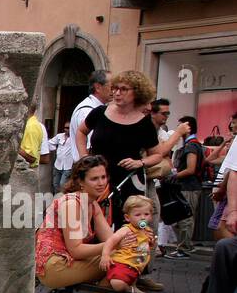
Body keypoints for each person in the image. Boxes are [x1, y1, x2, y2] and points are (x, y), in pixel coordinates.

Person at [76, 70, 188, 226]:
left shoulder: (144, 123)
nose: (117, 93)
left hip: (128, 182)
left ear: (137, 92)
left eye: (123, 89)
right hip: (98, 178)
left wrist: (139, 163)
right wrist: (84, 157)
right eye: (115, 88)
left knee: (126, 226)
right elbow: (81, 131)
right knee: (92, 223)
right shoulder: (100, 112)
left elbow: (156, 155)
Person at [33, 154, 117, 293]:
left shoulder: (92, 204)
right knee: (119, 261)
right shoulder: (72, 204)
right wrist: (111, 246)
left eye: (103, 177)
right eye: (94, 179)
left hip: (66, 261)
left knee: (124, 255)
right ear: (80, 182)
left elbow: (111, 238)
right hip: (54, 266)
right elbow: (76, 250)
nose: (101, 183)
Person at [84, 194, 156, 293]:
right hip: (121, 264)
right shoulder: (126, 230)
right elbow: (111, 241)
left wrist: (151, 242)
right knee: (118, 285)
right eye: (138, 214)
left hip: (135, 268)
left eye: (146, 214)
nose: (142, 218)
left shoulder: (147, 231)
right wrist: (105, 255)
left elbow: (145, 248)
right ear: (128, 217)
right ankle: (129, 288)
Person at [53, 70, 109, 192]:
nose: (115, 91)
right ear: (98, 87)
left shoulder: (96, 108)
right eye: (112, 86)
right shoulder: (88, 110)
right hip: (88, 174)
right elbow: (89, 146)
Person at [162, 115, 204, 259]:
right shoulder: (191, 144)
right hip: (188, 186)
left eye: (181, 125)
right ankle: (184, 247)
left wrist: (173, 176)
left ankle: (185, 249)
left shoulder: (191, 145)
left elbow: (191, 169)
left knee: (185, 218)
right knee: (182, 217)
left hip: (189, 187)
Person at [18, 102, 46, 166]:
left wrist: (14, 147)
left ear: (24, 108)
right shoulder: (28, 124)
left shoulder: (31, 126)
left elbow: (31, 158)